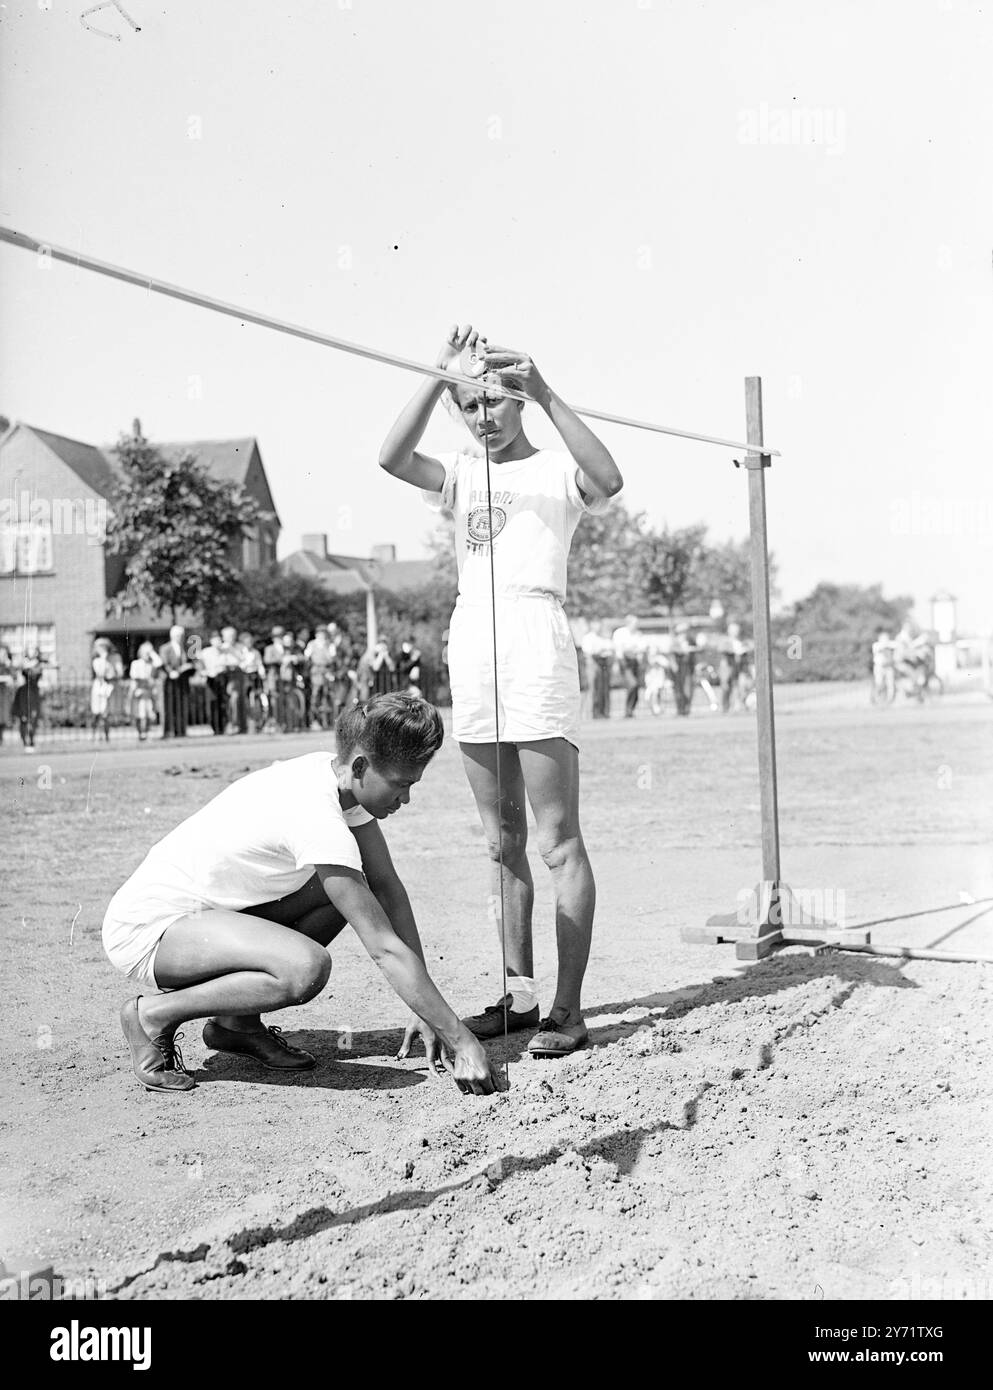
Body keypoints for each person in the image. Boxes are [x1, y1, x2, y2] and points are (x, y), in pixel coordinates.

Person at [378, 323, 623, 1058]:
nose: (482, 418)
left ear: (517, 401)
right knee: (499, 840)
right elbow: (390, 457)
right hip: (473, 641)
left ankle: (567, 1012)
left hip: (533, 632)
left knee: (555, 841)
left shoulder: (553, 471)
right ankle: (516, 995)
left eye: (494, 404)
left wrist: (545, 390)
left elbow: (608, 480)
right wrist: (435, 372)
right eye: (469, 408)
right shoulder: (458, 474)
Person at [102, 692, 500, 1096]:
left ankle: (236, 1025)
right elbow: (383, 947)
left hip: (209, 917)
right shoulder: (317, 815)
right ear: (361, 765)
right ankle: (152, 1015)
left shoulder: (339, 778)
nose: (406, 798)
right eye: (400, 784)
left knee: (349, 891)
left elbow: (387, 888)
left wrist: (425, 1010)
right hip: (150, 930)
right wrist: (460, 1039)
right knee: (304, 968)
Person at [159, 625, 192, 738]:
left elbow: (193, 662)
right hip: (170, 682)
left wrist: (188, 667)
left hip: (183, 681)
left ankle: (181, 731)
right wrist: (172, 672)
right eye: (178, 636)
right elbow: (165, 663)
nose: (181, 638)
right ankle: (168, 732)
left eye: (182, 636)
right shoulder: (165, 648)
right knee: (169, 707)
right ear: (172, 636)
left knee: (182, 707)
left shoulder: (187, 648)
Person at [12, 647, 45, 751]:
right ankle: (24, 741)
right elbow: (19, 669)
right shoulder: (24, 663)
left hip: (35, 693)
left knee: (34, 718)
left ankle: (31, 740)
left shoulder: (39, 664)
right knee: (24, 717)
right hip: (24, 693)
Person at [612, 614, 644, 718]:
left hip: (635, 661)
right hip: (624, 662)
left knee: (636, 686)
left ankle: (630, 710)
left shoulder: (638, 634)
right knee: (632, 684)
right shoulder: (620, 633)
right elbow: (619, 650)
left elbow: (641, 647)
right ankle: (628, 710)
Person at [581, 620, 614, 718]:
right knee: (594, 688)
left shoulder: (603, 637)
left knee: (604, 688)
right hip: (593, 662)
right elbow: (589, 651)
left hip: (604, 663)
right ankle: (593, 712)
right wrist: (600, 650)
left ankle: (604, 712)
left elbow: (610, 648)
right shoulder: (588, 637)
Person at [129, 641, 161, 741]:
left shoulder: (152, 665)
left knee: (149, 715)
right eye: (146, 652)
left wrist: (152, 653)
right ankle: (141, 734)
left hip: (149, 693)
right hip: (139, 692)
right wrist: (146, 680)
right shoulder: (136, 663)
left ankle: (145, 733)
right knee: (140, 715)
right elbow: (135, 678)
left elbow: (159, 662)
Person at [90, 638, 119, 742]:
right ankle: (94, 735)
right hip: (98, 687)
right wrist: (103, 658)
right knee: (96, 712)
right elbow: (100, 673)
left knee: (105, 713)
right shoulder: (96, 661)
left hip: (108, 687)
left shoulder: (114, 659)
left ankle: (106, 736)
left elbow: (116, 673)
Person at [0, 640, 17, 745]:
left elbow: (14, 677)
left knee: (3, 718)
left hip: (4, 695)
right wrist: (5, 678)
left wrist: (8, 665)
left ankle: (0, 739)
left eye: (4, 653)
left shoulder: (7, 666)